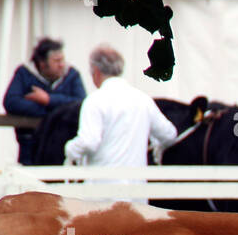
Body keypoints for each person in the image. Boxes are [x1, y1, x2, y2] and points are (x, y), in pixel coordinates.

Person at [64, 45, 177, 201]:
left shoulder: (94, 101)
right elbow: (169, 134)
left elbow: (89, 142)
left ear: (95, 70)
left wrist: (70, 149)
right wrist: (155, 144)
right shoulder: (142, 99)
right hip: (136, 194)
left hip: (102, 196)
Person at [3, 37, 86, 165]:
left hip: (63, 145)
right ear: (42, 64)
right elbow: (11, 102)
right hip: (29, 143)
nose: (62, 64)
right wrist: (56, 111)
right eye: (57, 61)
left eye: (62, 59)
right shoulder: (24, 73)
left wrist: (48, 100)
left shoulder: (72, 75)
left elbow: (81, 103)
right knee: (30, 182)